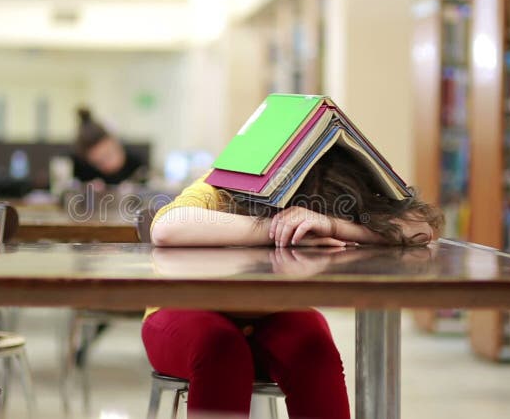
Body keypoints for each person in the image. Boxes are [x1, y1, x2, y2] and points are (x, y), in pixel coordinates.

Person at [144, 146, 444, 418]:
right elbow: (166, 228)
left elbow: (421, 228)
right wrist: (281, 228)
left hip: (273, 312)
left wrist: (332, 225)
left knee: (313, 349)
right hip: (184, 310)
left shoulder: (338, 181)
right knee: (220, 349)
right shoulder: (230, 181)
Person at [71, 107, 146, 184]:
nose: (108, 165)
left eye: (109, 155)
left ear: (115, 143)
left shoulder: (136, 163)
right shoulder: (82, 170)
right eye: (99, 163)